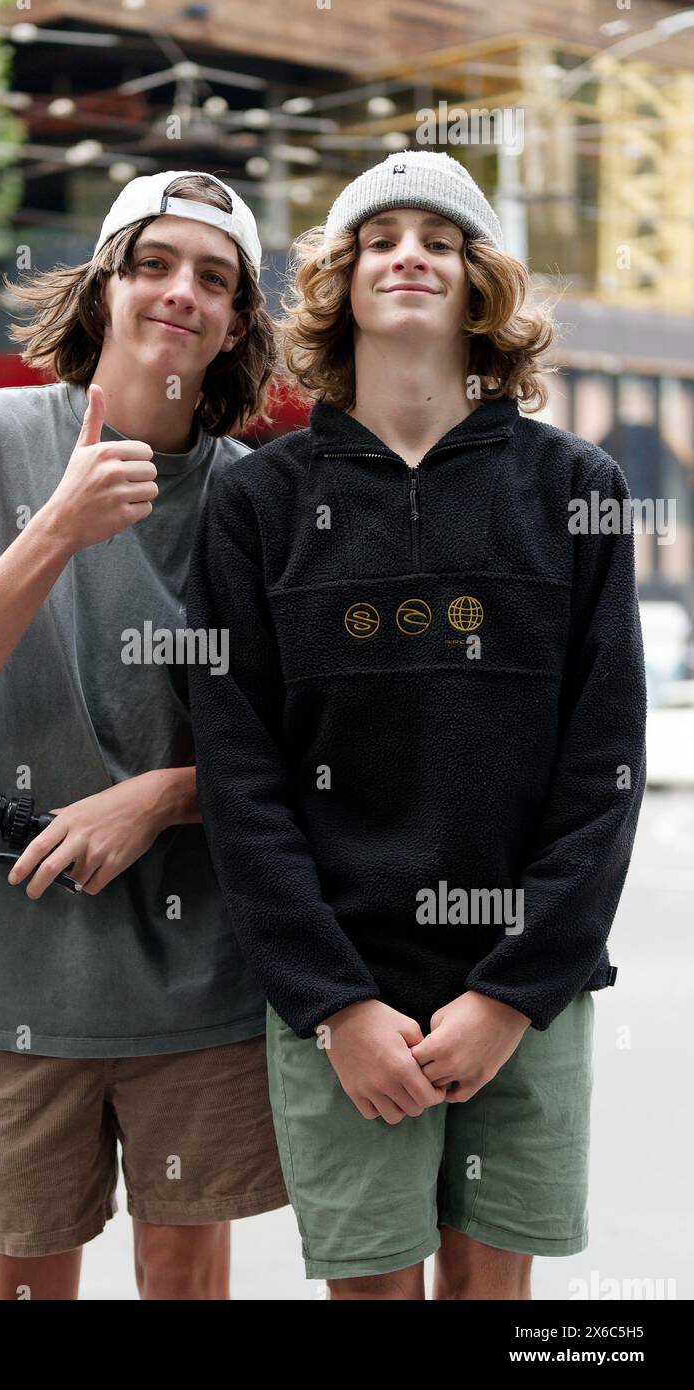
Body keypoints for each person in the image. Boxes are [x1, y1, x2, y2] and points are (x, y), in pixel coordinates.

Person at [185, 150, 646, 1301]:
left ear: (477, 281)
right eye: (380, 239)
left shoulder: (574, 486)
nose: (409, 257)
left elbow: (604, 769)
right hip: (341, 999)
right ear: (340, 282)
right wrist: (335, 1004)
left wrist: (510, 994)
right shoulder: (257, 500)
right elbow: (239, 776)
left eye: (438, 240)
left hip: (525, 995)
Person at [0, 170, 289, 1300]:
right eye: (153, 263)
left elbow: (299, 755)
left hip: (205, 981)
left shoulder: (260, 500)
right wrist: (55, 527)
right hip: (23, 975)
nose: (180, 291)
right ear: (102, 287)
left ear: (235, 322)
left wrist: (160, 796)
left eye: (214, 278)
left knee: (184, 1284)